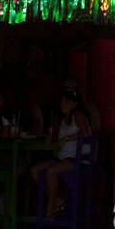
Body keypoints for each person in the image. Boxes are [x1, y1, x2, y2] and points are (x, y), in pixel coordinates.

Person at [29, 86, 93, 217]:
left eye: (66, 101)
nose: (62, 104)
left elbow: (86, 134)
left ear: (75, 104)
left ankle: (49, 211)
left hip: (77, 159)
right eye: (62, 101)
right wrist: (51, 140)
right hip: (63, 157)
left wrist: (67, 139)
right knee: (34, 170)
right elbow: (58, 140)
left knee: (50, 171)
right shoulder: (63, 120)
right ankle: (58, 198)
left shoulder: (78, 115)